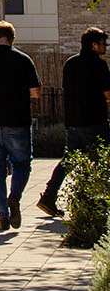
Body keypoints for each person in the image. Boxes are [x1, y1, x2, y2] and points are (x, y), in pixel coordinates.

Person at [37, 27, 110, 218]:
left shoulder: (70, 64)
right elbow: (107, 93)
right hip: (94, 121)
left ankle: (49, 195)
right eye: (103, 44)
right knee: (99, 161)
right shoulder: (99, 66)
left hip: (73, 122)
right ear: (94, 45)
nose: (105, 47)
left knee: (68, 160)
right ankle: (93, 202)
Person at [0, 20, 42, 231]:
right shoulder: (23, 59)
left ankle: (2, 215)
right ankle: (14, 197)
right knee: (22, 163)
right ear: (13, 38)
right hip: (17, 122)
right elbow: (36, 92)